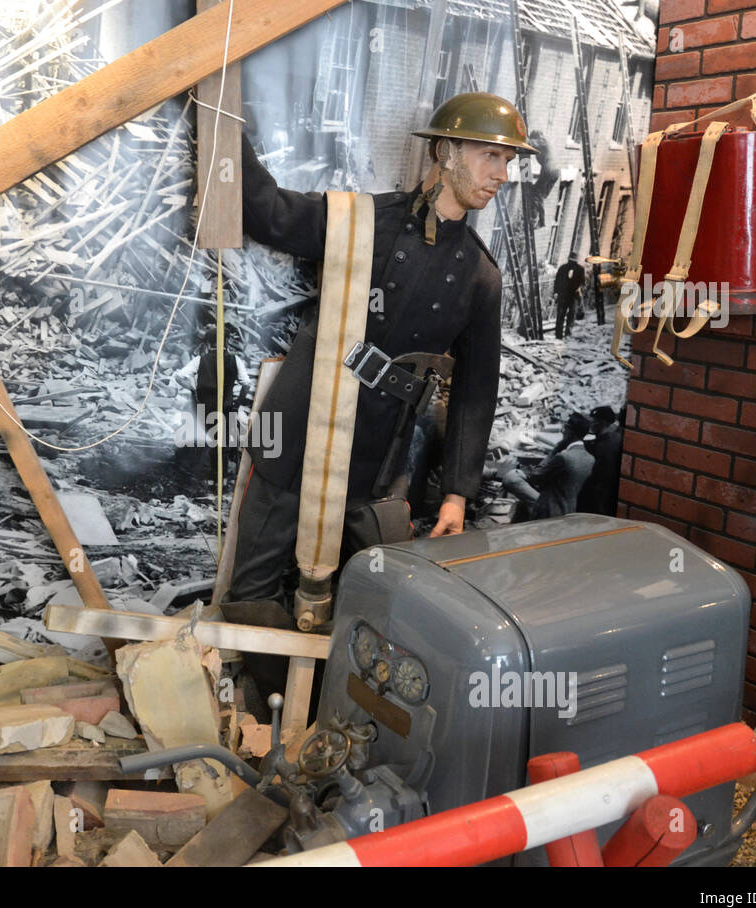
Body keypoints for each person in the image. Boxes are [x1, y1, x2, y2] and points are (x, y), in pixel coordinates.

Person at [223, 92, 535, 620]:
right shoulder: (360, 221)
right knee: (252, 596)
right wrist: (222, 118)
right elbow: (269, 212)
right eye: (489, 155)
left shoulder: (481, 276)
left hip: (376, 462)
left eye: (508, 160)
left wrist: (458, 494)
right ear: (446, 151)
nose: (502, 173)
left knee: (366, 606)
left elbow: (476, 395)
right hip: (299, 433)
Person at [497, 413, 595, 522]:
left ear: (569, 432)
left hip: (549, 512)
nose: (563, 432)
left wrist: (554, 451)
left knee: (511, 477)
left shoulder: (563, 457)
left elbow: (537, 476)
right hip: (570, 511)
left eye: (565, 429)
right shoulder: (590, 459)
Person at [577, 405, 624, 515]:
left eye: (594, 421)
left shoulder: (605, 445)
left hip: (602, 498)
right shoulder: (616, 436)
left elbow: (603, 478)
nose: (591, 425)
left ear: (602, 422)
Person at [553, 253, 586, 340]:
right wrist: (556, 292)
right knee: (561, 315)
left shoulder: (580, 269)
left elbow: (583, 283)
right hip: (563, 295)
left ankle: (567, 334)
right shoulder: (563, 268)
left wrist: (580, 288)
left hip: (573, 296)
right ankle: (559, 335)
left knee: (570, 315)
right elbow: (557, 281)